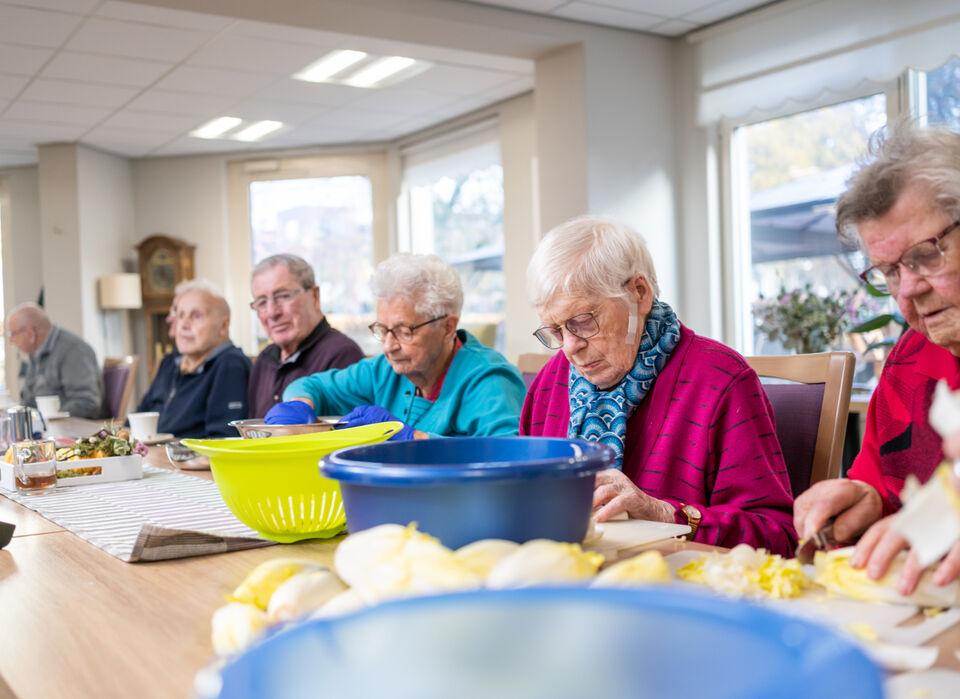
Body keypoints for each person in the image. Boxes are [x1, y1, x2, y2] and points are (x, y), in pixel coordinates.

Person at [520, 216, 796, 555]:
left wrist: (663, 513)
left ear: (639, 293)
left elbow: (779, 537)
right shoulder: (549, 384)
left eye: (582, 321)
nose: (569, 347)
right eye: (555, 331)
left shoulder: (722, 381)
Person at [793, 122, 960, 594]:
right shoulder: (910, 359)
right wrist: (865, 500)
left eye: (926, 255)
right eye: (889, 271)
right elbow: (884, 487)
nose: (909, 290)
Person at [265, 253, 526, 438]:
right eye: (383, 330)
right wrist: (300, 403)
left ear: (447, 328)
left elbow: (508, 460)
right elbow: (310, 386)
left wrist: (415, 440)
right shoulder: (384, 371)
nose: (389, 346)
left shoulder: (488, 380)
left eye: (403, 331)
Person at [247, 254, 364, 418]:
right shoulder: (264, 360)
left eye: (283, 296)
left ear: (315, 296)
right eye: (261, 302)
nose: (272, 312)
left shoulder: (342, 354)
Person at [136, 280, 250, 438]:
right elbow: (139, 417)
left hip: (184, 460)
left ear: (224, 325)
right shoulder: (169, 362)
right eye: (180, 315)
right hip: (150, 456)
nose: (183, 325)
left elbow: (222, 439)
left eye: (196, 316)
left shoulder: (230, 365)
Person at [6, 303, 103, 418]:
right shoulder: (35, 353)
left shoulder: (73, 351)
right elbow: (28, 401)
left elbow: (87, 403)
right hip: (46, 430)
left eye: (13, 334)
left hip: (73, 430)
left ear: (30, 333)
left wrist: (49, 418)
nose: (11, 341)